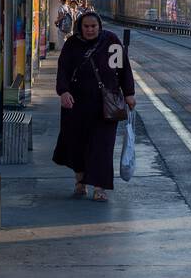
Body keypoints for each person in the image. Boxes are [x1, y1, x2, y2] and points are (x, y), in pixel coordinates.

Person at [53, 11, 135, 201]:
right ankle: (80, 182)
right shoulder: (72, 44)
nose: (90, 30)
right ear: (80, 27)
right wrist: (63, 91)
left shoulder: (111, 41)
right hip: (76, 104)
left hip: (106, 105)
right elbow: (63, 70)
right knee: (77, 143)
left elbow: (123, 68)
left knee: (103, 146)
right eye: (86, 26)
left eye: (93, 26)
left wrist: (129, 93)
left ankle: (100, 188)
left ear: (99, 26)